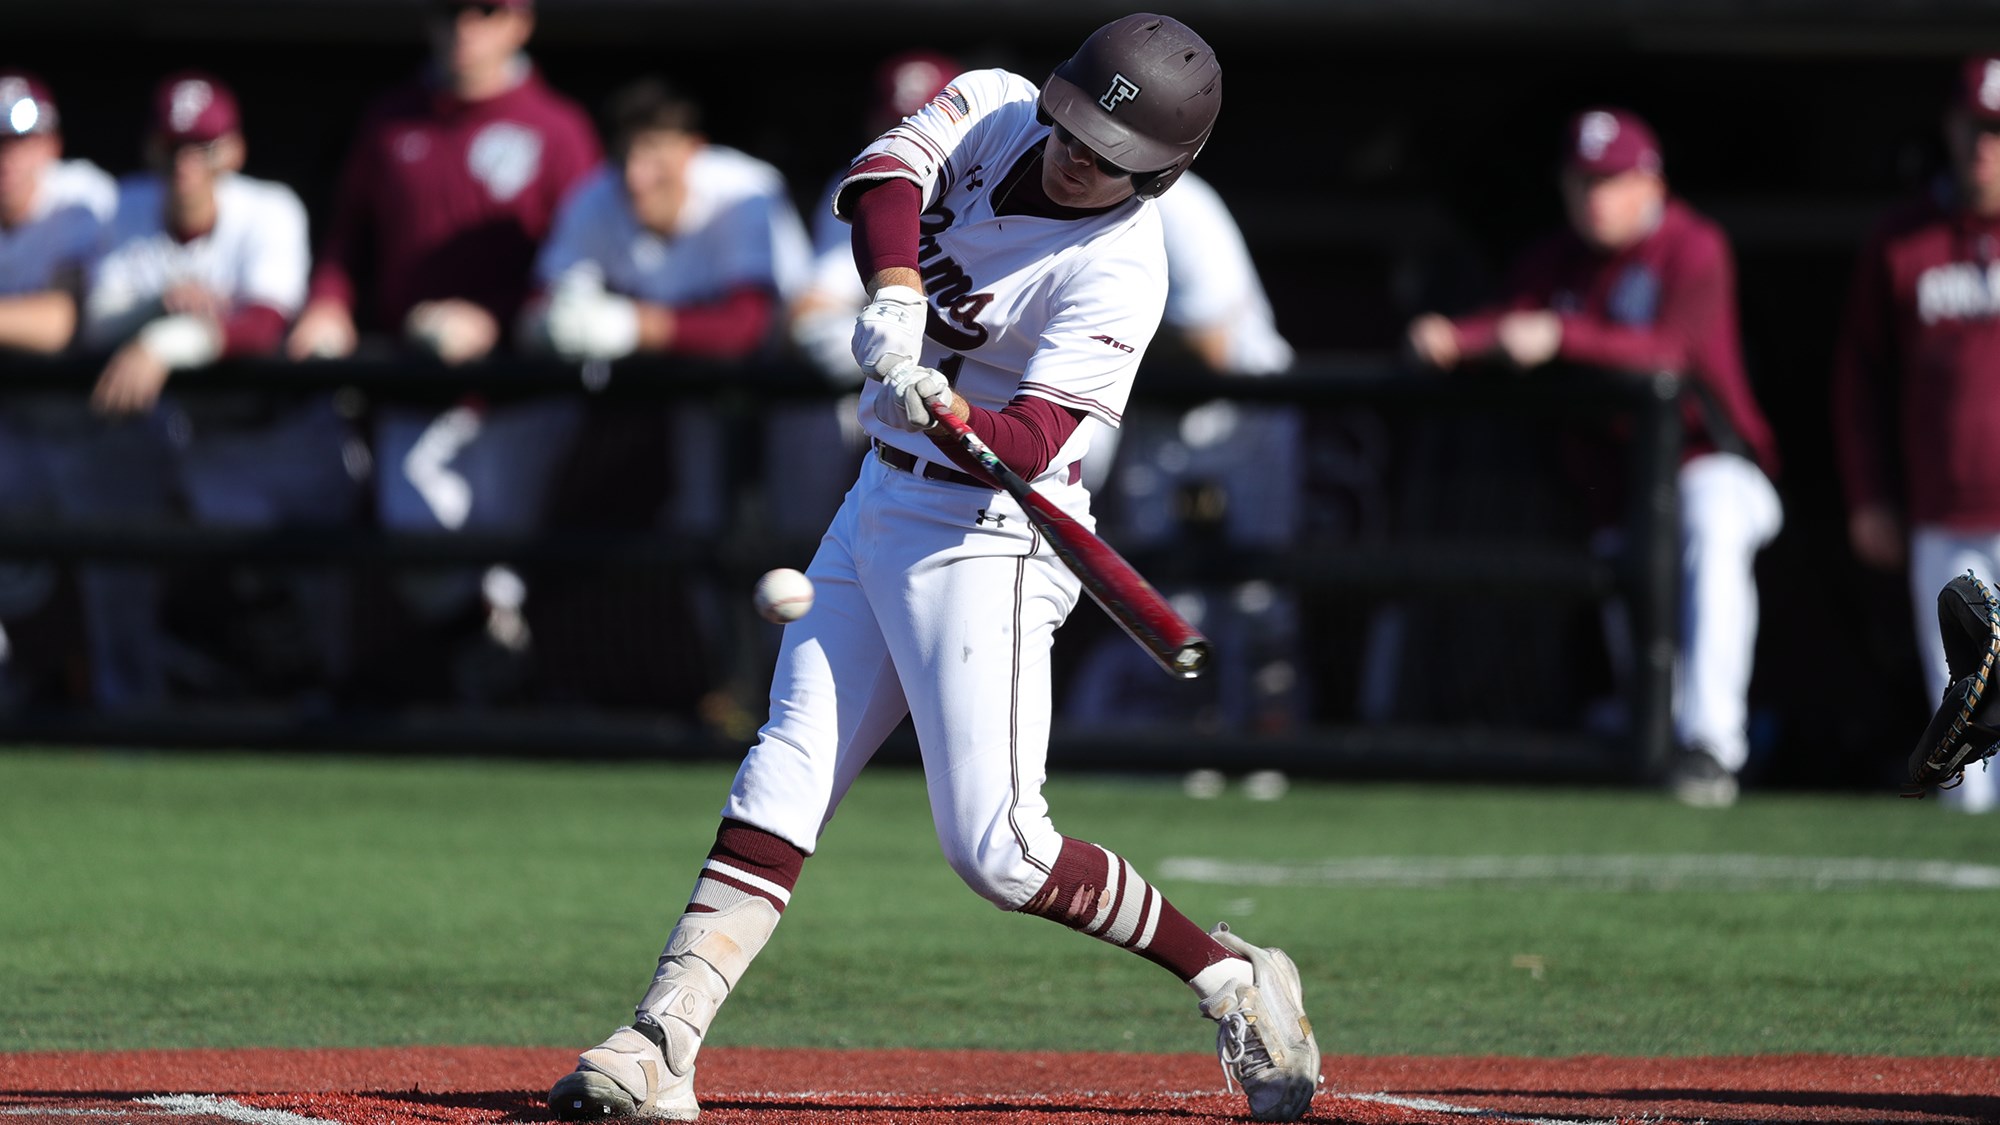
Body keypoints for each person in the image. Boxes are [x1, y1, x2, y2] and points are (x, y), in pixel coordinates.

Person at [547, 14, 1322, 1124]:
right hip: (877, 501)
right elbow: (881, 176)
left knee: (1000, 852)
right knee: (784, 766)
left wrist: (955, 408)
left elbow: (1037, 440)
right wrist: (898, 291)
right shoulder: (1001, 102)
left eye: (1109, 158)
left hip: (990, 536)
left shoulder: (1122, 264)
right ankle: (662, 1037)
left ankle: (1231, 979)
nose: (1073, 157)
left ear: (1156, 173)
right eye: (1071, 129)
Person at [1407, 107, 1782, 808]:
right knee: (1630, 593)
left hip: (1719, 461)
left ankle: (1711, 742)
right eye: (1583, 181)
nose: (1595, 198)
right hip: (1622, 484)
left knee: (1708, 528)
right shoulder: (1561, 258)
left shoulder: (1692, 245)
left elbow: (1672, 350)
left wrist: (1562, 334)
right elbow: (1512, 317)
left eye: (1611, 181)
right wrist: (1457, 336)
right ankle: (1658, 739)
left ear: (1651, 183)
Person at [283, 0, 600, 701]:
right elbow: (348, 238)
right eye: (451, 12)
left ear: (519, 22)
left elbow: (588, 258)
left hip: (523, 392)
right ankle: (490, 659)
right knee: (420, 546)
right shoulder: (391, 120)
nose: (465, 29)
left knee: (513, 559)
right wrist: (329, 302)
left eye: (485, 12)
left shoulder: (559, 128)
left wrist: (498, 318)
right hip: (415, 381)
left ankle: (520, 703)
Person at [79, 71, 358, 704]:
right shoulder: (128, 207)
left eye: (202, 148)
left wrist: (165, 340)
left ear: (232, 152)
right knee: (256, 597)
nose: (187, 165)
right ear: (152, 151)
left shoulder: (270, 207)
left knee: (325, 602)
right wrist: (161, 309)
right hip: (210, 442)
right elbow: (97, 322)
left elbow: (264, 324)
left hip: (297, 434)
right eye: (174, 148)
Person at [521, 76, 812, 536]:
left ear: (691, 149)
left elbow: (748, 326)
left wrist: (630, 326)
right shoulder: (596, 195)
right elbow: (542, 304)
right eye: (626, 154)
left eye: (654, 153)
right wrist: (553, 323)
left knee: (801, 534)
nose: (636, 176)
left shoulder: (743, 189)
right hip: (685, 399)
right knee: (694, 530)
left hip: (789, 393)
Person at [1833, 55, 2000, 813]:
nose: (1984, 149)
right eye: (1975, 130)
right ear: (1950, 130)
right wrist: (1870, 493)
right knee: (1968, 750)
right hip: (1945, 515)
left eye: (1998, 133)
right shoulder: (1905, 239)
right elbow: (1859, 376)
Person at [0, 71, 116, 703]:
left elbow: (58, 323)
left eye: (19, 141)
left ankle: (135, 717)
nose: (6, 159)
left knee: (114, 589)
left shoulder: (81, 196)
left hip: (98, 427)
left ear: (51, 145)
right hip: (17, 426)